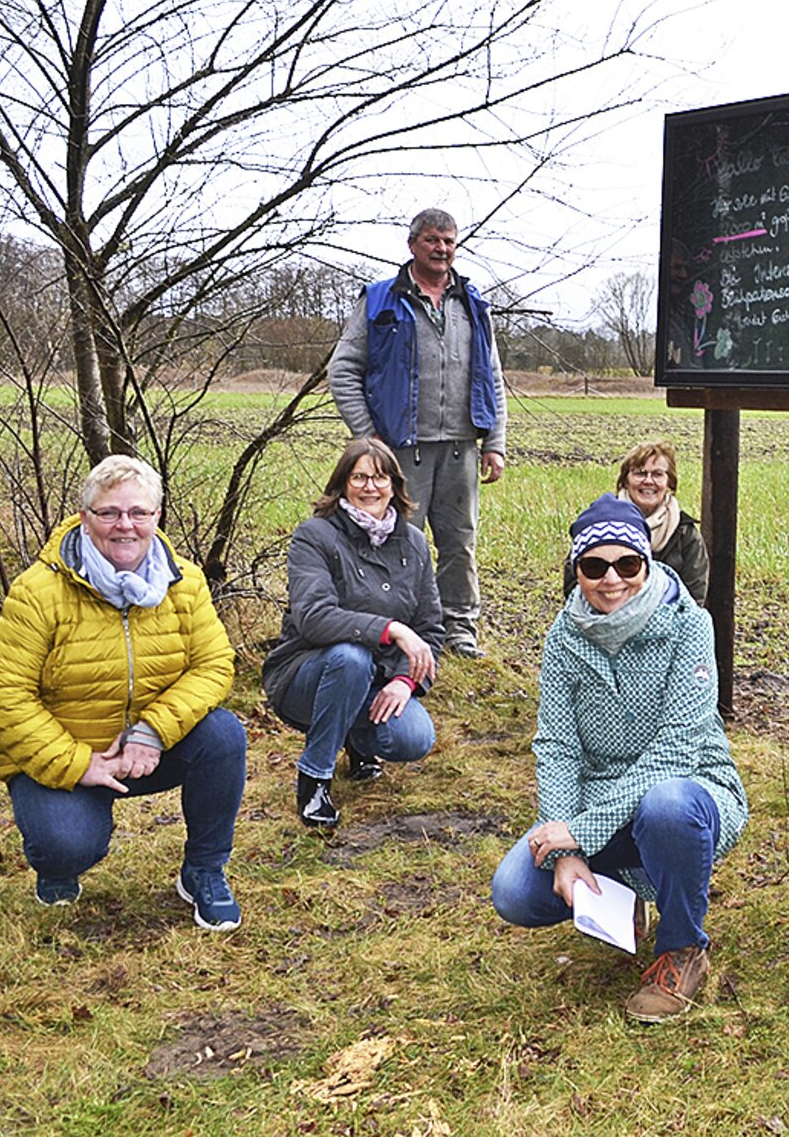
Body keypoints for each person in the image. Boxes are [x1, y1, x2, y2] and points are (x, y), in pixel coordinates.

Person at [491, 494, 748, 1024]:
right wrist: (562, 842)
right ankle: (621, 903)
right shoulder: (563, 637)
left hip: (690, 790)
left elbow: (678, 750)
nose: (612, 579)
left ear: (647, 563)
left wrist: (583, 833)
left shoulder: (690, 625)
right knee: (515, 891)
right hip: (598, 799)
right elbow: (557, 745)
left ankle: (681, 949)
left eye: (627, 564)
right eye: (594, 566)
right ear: (578, 570)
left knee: (666, 807)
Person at [0, 456, 246, 931]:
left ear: (156, 517)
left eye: (139, 513)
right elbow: (4, 692)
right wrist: (78, 763)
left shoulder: (185, 583)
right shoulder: (39, 591)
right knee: (69, 845)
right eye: (109, 513)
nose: (126, 525)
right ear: (85, 518)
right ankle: (57, 865)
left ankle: (204, 870)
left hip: (147, 750)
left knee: (223, 735)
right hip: (66, 755)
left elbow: (215, 664)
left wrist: (153, 731)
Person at [329, 207, 508, 658]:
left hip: (461, 450)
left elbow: (492, 374)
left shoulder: (472, 301)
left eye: (449, 241)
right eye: (432, 240)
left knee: (459, 544)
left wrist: (495, 442)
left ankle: (459, 630)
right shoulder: (379, 299)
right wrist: (369, 440)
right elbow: (343, 370)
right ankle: (396, 631)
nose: (441, 249)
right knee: (393, 543)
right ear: (412, 245)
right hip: (399, 452)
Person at [261, 437, 443, 829]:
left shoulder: (413, 543)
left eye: (380, 477)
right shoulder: (315, 536)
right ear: (343, 483)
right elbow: (313, 616)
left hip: (378, 681)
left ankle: (358, 742)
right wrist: (392, 629)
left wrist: (403, 683)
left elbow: (430, 629)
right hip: (306, 674)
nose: (370, 487)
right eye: (359, 477)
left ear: (394, 485)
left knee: (414, 738)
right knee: (350, 658)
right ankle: (314, 778)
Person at [559, 441, 711, 605]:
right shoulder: (600, 524)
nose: (648, 481)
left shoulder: (685, 534)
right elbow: (573, 584)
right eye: (640, 473)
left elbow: (693, 598)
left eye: (658, 474)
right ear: (625, 481)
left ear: (670, 483)